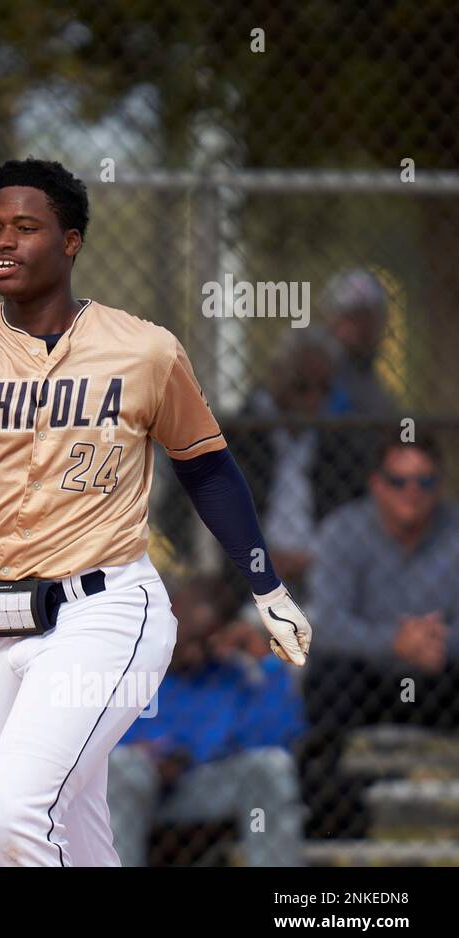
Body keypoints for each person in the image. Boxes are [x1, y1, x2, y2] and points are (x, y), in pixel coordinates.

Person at [0, 158, 312, 866]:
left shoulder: (143, 348)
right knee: (74, 838)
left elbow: (207, 468)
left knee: (11, 815)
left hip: (107, 611)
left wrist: (266, 588)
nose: (4, 242)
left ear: (72, 241)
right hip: (2, 627)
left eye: (27, 227)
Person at [302, 433, 459, 837]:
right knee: (326, 673)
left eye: (424, 482)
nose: (412, 492)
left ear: (438, 486)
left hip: (439, 678)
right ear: (376, 484)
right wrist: (394, 641)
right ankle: (332, 818)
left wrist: (440, 644)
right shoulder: (342, 531)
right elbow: (328, 626)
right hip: (366, 683)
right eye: (398, 481)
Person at [109, 577, 306, 866]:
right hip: (140, 786)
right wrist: (154, 755)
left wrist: (265, 659)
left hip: (205, 783)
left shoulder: (233, 675)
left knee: (272, 767)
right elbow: (98, 739)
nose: (193, 653)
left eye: (205, 641)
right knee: (123, 767)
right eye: (187, 639)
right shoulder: (129, 670)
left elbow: (278, 738)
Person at [231, 331, 368, 590]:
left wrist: (316, 557)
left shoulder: (337, 444)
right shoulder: (241, 436)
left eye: (324, 389)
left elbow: (353, 514)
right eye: (302, 387)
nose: (313, 400)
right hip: (246, 571)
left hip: (322, 569)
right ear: (275, 376)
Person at [321, 269, 396, 418]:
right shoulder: (322, 369)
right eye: (356, 318)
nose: (365, 328)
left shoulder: (367, 372)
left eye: (371, 318)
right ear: (333, 320)